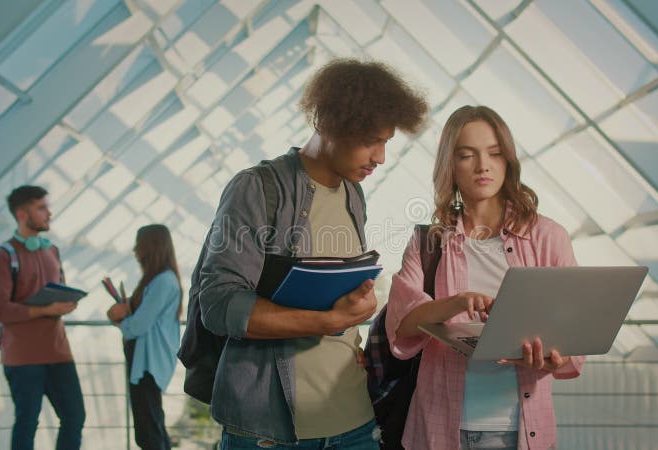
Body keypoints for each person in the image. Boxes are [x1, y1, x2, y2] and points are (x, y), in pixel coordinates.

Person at [198, 58, 428, 449]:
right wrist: (327, 321)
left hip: (354, 420)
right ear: (330, 122)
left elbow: (335, 294)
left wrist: (354, 316)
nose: (380, 157)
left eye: (386, 142)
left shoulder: (354, 194)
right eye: (371, 140)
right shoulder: (257, 188)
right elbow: (219, 304)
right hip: (269, 431)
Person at [385, 105, 586, 450]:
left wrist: (555, 357)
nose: (483, 166)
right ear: (450, 165)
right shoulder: (429, 242)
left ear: (508, 160)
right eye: (467, 155)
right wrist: (456, 303)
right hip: (436, 430)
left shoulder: (548, 237)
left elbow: (573, 334)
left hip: (520, 433)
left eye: (495, 153)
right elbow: (401, 325)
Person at [0, 185, 85, 450]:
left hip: (58, 351)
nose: (48, 213)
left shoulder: (52, 251)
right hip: (22, 356)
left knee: (75, 417)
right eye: (41, 208)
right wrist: (44, 310)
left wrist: (65, 304)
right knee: (27, 422)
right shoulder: (4, 256)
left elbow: (60, 288)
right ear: (21, 213)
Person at [107, 224, 182, 450]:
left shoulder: (162, 281)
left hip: (148, 363)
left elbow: (138, 326)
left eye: (138, 244)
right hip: (147, 362)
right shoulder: (159, 280)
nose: (134, 250)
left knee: (149, 431)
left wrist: (120, 320)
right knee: (151, 424)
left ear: (151, 247)